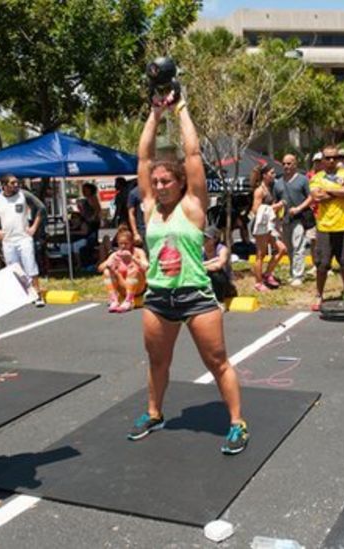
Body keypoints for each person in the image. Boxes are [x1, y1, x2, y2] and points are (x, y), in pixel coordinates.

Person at [129, 91, 249, 455]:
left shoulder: (194, 206)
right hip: (158, 298)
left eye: (167, 181)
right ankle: (154, 413)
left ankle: (237, 423)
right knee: (157, 361)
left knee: (217, 362)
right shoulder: (149, 209)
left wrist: (180, 109)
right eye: (156, 181)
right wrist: (154, 114)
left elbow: (193, 154)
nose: (160, 186)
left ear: (181, 183)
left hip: (195, 295)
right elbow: (143, 157)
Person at [306, 145, 344, 311]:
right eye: (327, 158)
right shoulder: (317, 177)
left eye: (334, 157)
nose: (331, 160)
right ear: (322, 160)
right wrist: (340, 191)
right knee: (322, 265)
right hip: (325, 228)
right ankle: (319, 295)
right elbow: (317, 197)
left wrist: (328, 190)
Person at [0, 174, 45, 306]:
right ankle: (23, 293)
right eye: (12, 183)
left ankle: (37, 293)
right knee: (14, 269)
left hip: (24, 238)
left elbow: (41, 208)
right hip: (8, 240)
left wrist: (34, 227)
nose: (16, 185)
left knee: (30, 265)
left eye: (17, 182)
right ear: (4, 185)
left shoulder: (23, 195)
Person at [274, 154, 312, 287]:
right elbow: (276, 202)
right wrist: (277, 221)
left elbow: (310, 197)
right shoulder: (278, 183)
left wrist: (299, 208)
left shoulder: (303, 180)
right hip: (285, 220)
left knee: (298, 246)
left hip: (299, 218)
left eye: (289, 163)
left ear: (295, 164)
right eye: (284, 164)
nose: (286, 166)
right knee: (289, 248)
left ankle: (298, 275)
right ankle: (292, 272)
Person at [250, 164, 287, 292]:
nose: (274, 175)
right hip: (260, 226)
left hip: (269, 225)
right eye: (271, 173)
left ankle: (267, 274)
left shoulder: (271, 188)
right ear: (264, 175)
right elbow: (255, 209)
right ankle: (258, 282)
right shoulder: (259, 191)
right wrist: (276, 206)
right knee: (261, 254)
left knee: (282, 249)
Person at [97, 227, 148, 313]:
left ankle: (129, 301)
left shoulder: (138, 252)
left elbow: (146, 266)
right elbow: (100, 269)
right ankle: (114, 300)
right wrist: (108, 263)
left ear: (131, 242)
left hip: (138, 287)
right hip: (123, 287)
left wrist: (132, 258)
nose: (123, 246)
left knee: (133, 270)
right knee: (107, 272)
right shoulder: (115, 254)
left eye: (126, 243)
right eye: (121, 244)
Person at [203, 226, 237, 302]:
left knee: (216, 274)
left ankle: (220, 300)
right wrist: (212, 261)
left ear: (215, 239)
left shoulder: (222, 249)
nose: (204, 240)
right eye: (203, 237)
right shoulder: (201, 250)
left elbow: (218, 265)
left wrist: (202, 266)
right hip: (206, 279)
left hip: (224, 282)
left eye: (207, 238)